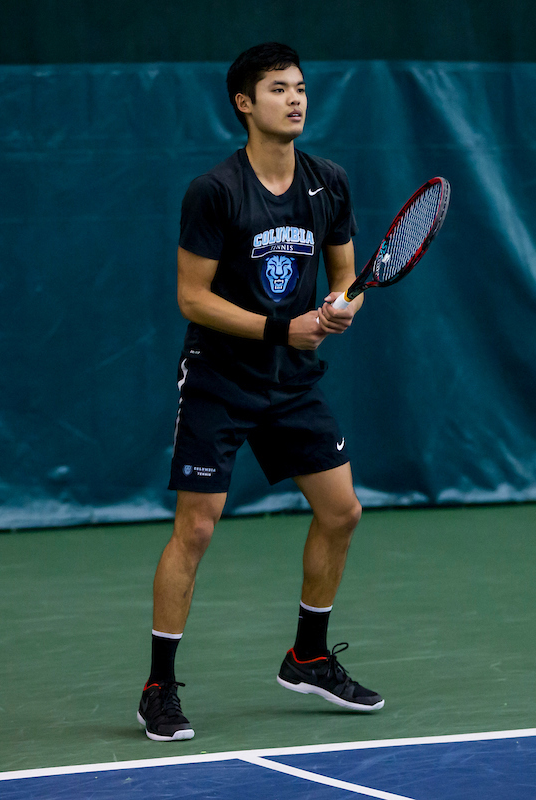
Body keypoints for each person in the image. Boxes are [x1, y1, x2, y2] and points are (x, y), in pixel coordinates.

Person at [137, 42, 383, 742]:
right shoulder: (214, 191)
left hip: (291, 381)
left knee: (342, 511)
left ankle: (308, 655)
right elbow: (192, 298)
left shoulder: (328, 182)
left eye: (300, 87)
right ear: (245, 103)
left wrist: (340, 309)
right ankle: (158, 687)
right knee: (197, 527)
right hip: (220, 377)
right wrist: (283, 328)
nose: (296, 99)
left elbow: (346, 280)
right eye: (279, 89)